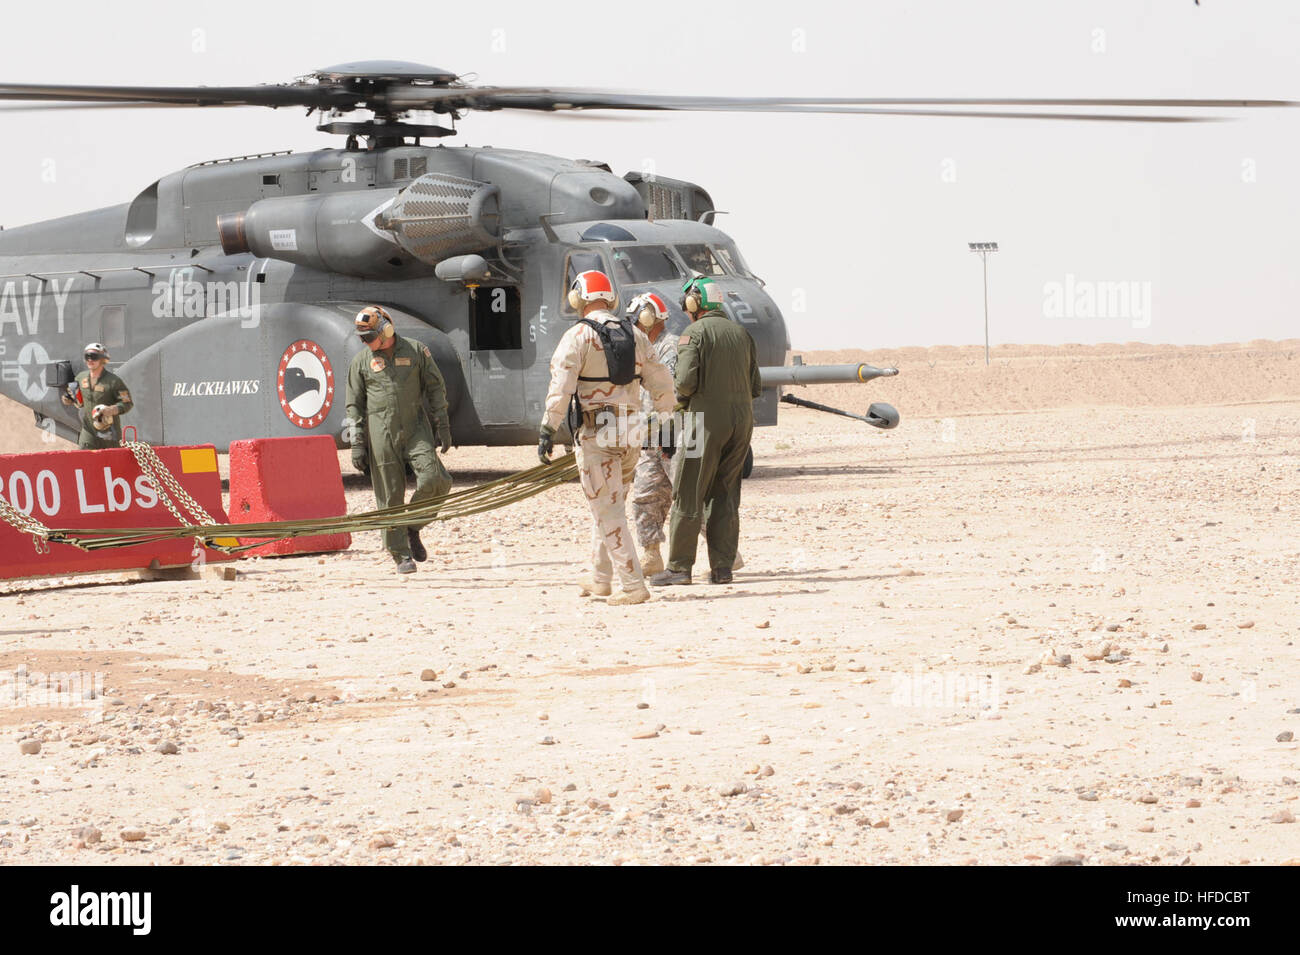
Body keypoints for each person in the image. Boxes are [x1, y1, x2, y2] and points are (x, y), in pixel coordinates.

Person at [538, 270, 674, 605]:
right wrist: (668, 422)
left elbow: (561, 388)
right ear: (610, 298)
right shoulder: (636, 334)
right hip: (631, 435)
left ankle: (632, 586)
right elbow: (662, 382)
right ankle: (600, 578)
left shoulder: (577, 336)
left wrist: (547, 430)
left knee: (609, 511)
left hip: (598, 436)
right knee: (610, 505)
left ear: (577, 298)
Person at [650, 276, 761, 586]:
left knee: (687, 493)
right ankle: (723, 567)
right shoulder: (741, 333)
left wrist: (682, 406)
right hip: (741, 423)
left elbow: (684, 382)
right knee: (726, 494)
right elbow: (755, 386)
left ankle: (679, 568)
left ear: (694, 303)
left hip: (703, 422)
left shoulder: (693, 334)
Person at [344, 305, 453, 575]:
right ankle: (400, 554)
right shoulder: (361, 362)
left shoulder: (416, 351)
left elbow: (435, 387)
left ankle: (412, 526)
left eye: (369, 336)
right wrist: (357, 442)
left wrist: (444, 424)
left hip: (416, 427)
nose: (365, 342)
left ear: (386, 330)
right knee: (389, 495)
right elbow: (354, 405)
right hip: (381, 433)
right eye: (362, 338)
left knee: (436, 480)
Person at [626, 292, 677, 576]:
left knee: (685, 494)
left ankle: (724, 553)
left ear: (649, 317)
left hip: (673, 434)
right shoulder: (643, 349)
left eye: (637, 318)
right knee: (644, 495)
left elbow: (672, 390)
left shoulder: (669, 347)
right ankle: (651, 554)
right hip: (649, 438)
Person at [60, 343, 133, 449]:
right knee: (84, 458)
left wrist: (112, 410)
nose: (90, 360)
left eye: (94, 356)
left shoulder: (114, 381)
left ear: (103, 359)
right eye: (87, 356)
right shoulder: (80, 378)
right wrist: (68, 399)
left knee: (112, 461)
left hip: (110, 431)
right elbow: (78, 400)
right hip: (88, 430)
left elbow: (127, 403)